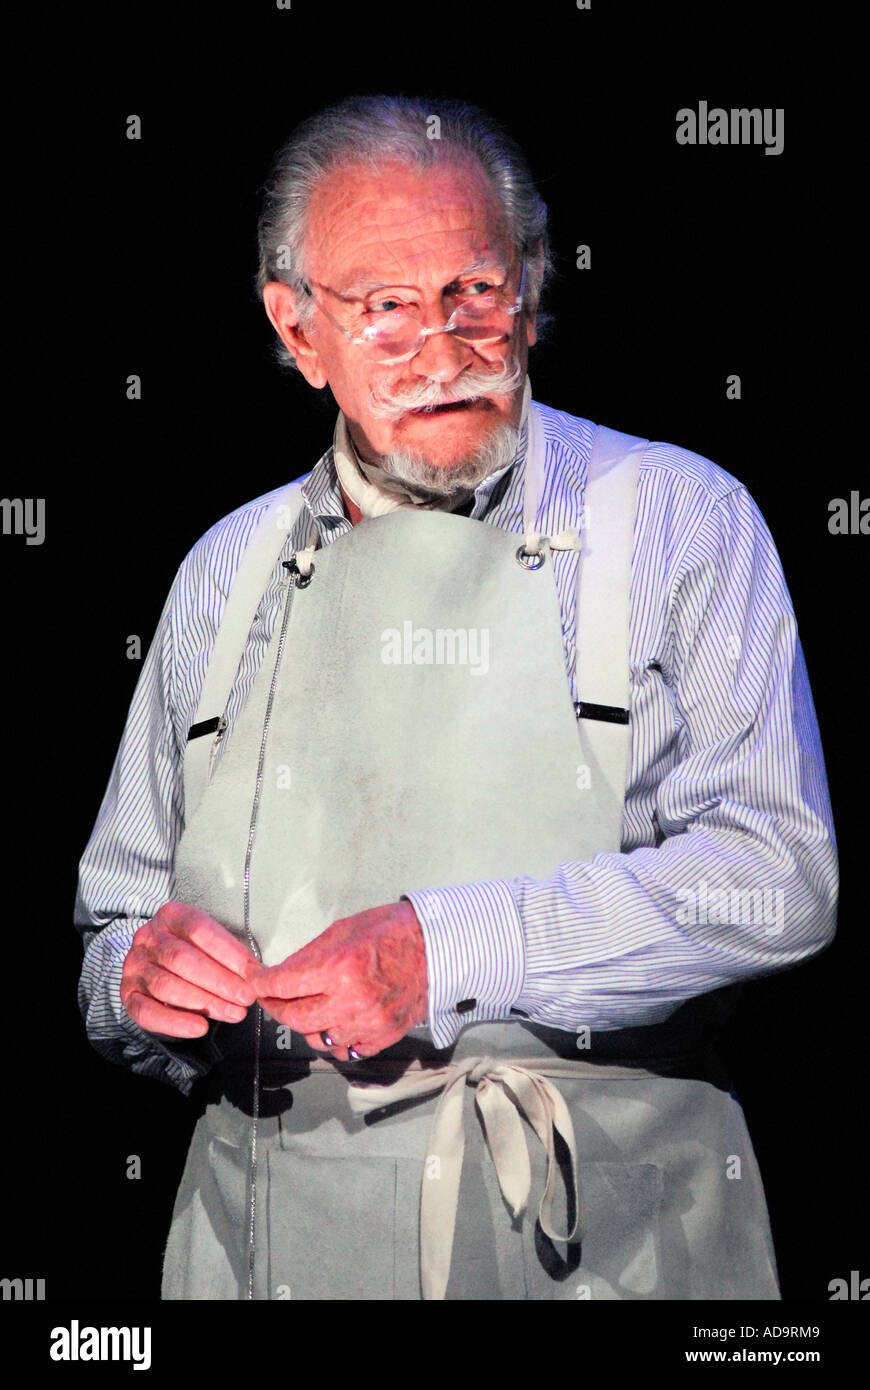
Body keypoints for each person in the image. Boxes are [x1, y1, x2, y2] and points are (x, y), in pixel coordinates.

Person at [75, 94, 837, 1301]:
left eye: (475, 294)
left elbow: (779, 874)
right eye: (383, 310)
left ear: (532, 288)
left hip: (600, 1241)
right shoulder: (225, 568)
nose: (443, 350)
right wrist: (135, 978)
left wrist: (447, 951)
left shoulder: (681, 519)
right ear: (296, 327)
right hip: (267, 1241)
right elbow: (114, 916)